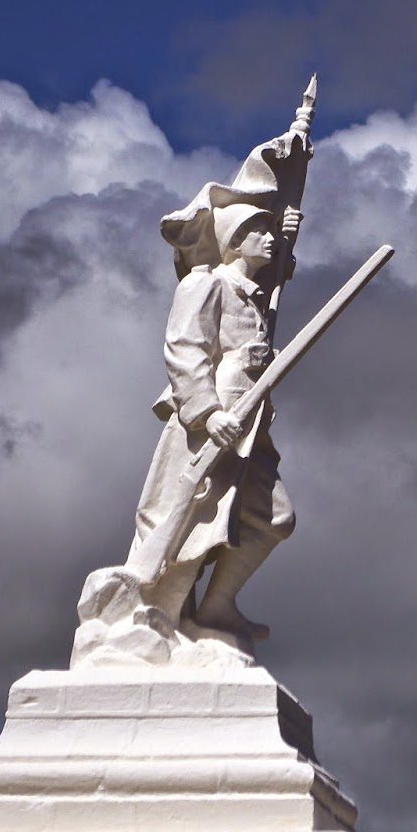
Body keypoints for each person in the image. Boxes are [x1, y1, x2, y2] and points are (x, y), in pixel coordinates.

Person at [129, 200, 303, 641]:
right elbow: (185, 349)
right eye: (258, 231)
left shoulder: (256, 293)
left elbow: (278, 269)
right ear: (234, 241)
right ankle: (158, 611)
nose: (269, 239)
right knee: (192, 519)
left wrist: (287, 234)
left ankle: (216, 608)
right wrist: (208, 414)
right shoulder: (204, 285)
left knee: (274, 517)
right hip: (217, 416)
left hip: (251, 417)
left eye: (270, 233)